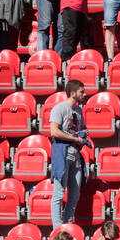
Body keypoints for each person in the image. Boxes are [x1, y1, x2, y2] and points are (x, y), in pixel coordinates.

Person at [49, 80, 89, 228]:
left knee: (74, 195)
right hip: (62, 153)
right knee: (59, 194)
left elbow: (81, 128)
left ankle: (67, 227)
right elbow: (54, 131)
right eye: (81, 92)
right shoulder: (60, 108)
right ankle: (57, 229)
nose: (84, 94)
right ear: (73, 93)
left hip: (75, 155)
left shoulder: (78, 111)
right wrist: (75, 138)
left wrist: (83, 134)